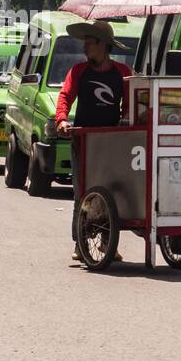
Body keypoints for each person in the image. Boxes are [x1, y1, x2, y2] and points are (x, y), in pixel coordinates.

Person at [55, 21, 133, 256]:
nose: (85, 48)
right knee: (82, 192)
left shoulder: (123, 73)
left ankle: (109, 242)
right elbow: (65, 96)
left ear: (103, 45)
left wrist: (127, 121)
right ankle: (80, 242)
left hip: (112, 142)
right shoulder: (79, 71)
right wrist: (62, 120)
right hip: (83, 141)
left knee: (114, 191)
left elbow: (129, 107)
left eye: (89, 43)